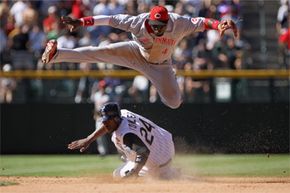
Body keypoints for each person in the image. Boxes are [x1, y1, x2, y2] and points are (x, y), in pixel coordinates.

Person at [42, 5, 237, 109]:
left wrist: (218, 24)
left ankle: (173, 86)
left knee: (174, 103)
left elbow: (202, 21)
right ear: (149, 20)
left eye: (161, 26)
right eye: (155, 25)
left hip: (161, 65)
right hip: (136, 52)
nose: (157, 29)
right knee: (101, 52)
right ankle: (56, 54)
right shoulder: (137, 22)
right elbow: (107, 20)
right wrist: (80, 22)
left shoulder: (178, 23)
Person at [68, 102, 176, 179]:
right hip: (165, 142)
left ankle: (167, 174)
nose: (105, 124)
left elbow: (143, 152)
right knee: (127, 153)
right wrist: (88, 139)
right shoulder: (123, 113)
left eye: (107, 121)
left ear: (115, 119)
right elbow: (107, 125)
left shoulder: (126, 134)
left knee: (117, 174)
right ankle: (167, 171)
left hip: (158, 161)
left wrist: (134, 172)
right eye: (104, 121)